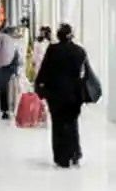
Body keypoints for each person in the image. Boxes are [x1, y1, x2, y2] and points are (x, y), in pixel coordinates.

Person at [35, 23, 90, 168]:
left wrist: (39, 86)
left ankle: (61, 157)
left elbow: (45, 70)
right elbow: (84, 73)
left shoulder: (53, 50)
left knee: (58, 124)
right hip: (74, 94)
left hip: (55, 94)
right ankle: (74, 153)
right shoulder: (80, 52)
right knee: (72, 123)